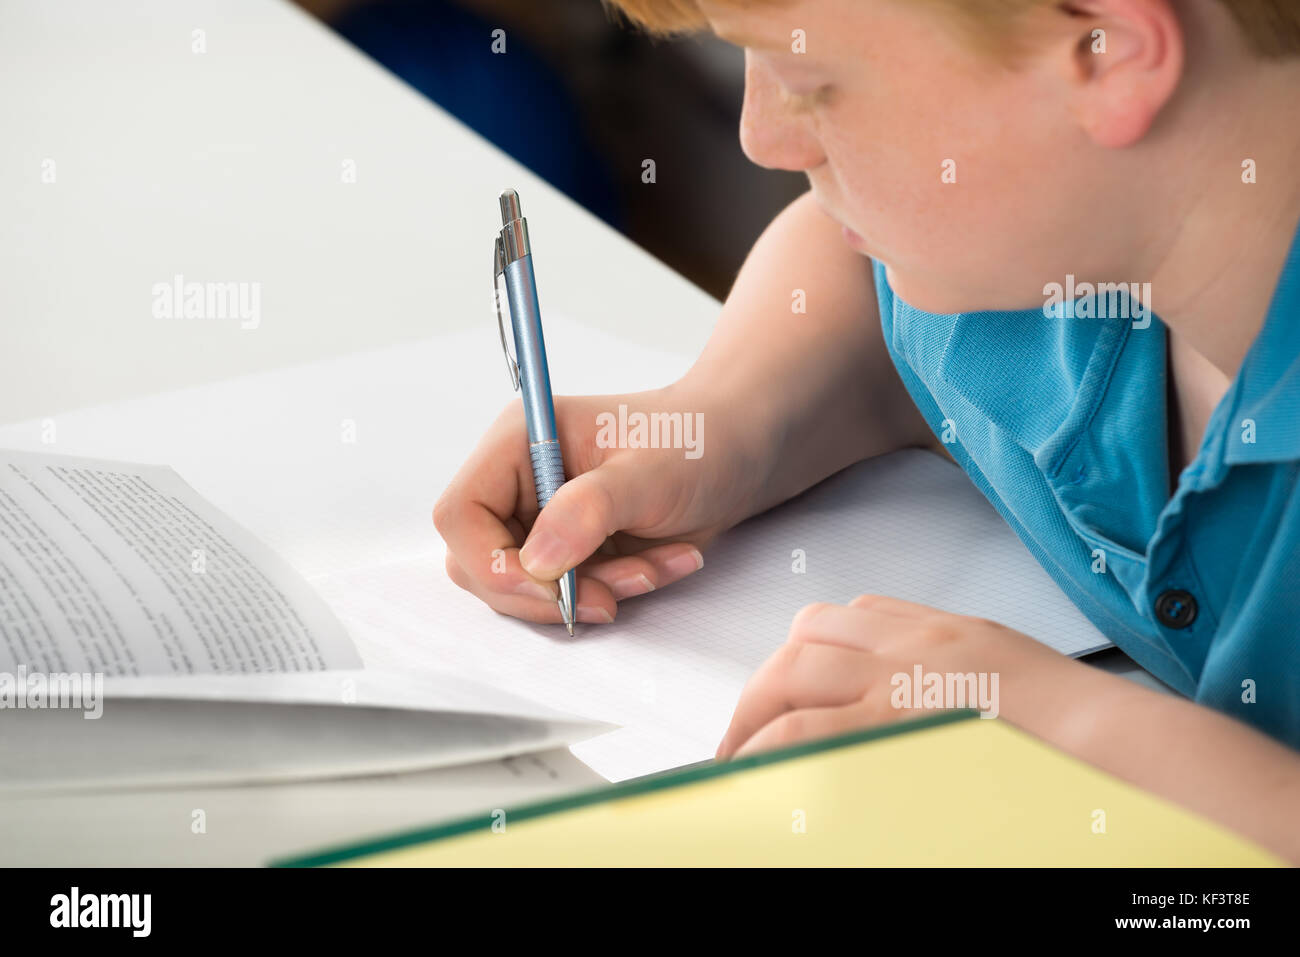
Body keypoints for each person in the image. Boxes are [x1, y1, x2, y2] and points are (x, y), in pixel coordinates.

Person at [434, 0, 1300, 861]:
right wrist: (729, 415)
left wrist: (1073, 727)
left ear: (1107, 50)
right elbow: (860, 268)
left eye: (810, 80)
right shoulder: (1040, 242)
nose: (761, 137)